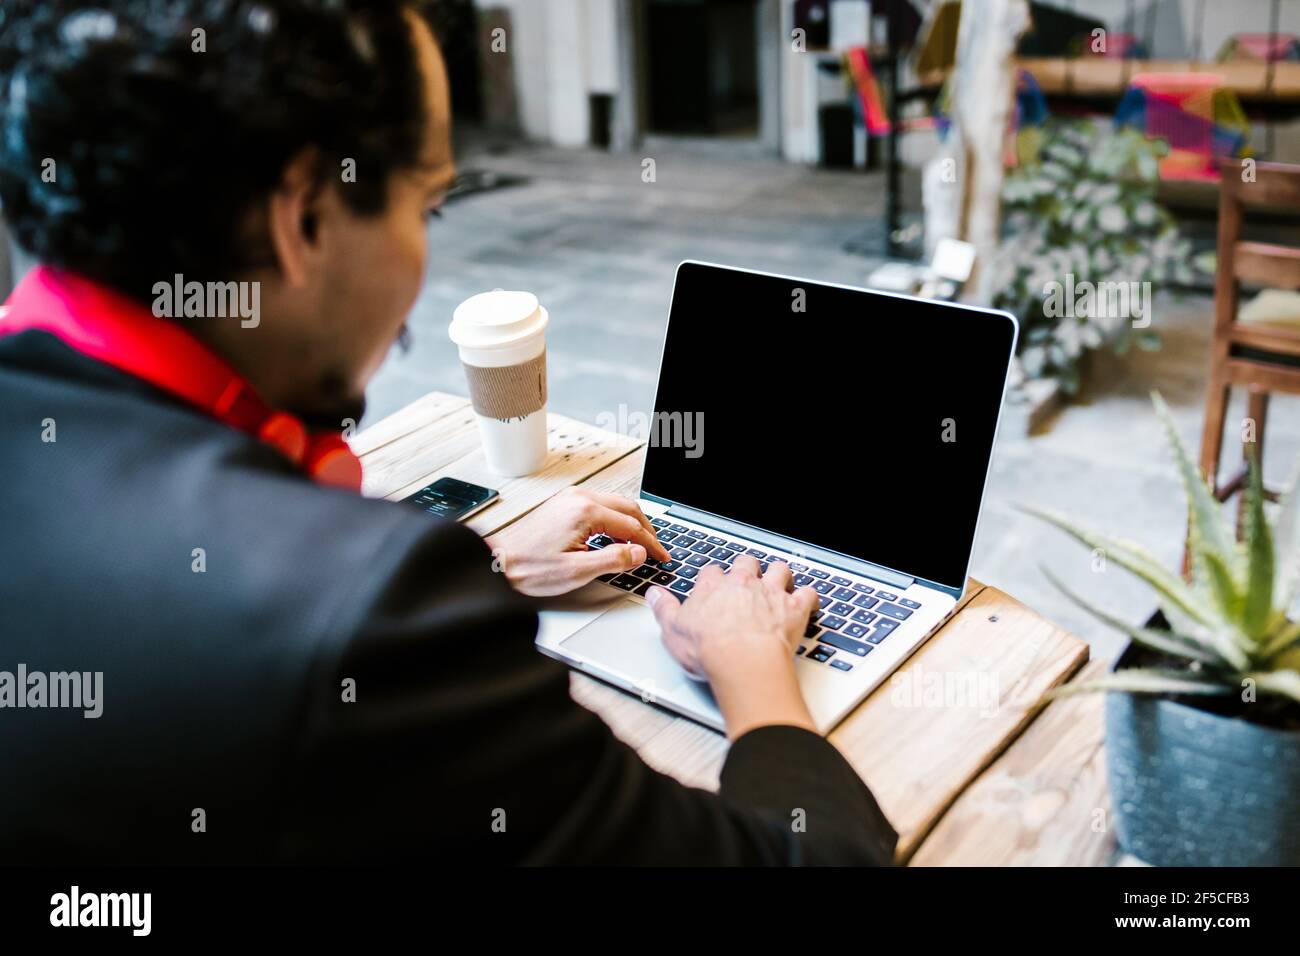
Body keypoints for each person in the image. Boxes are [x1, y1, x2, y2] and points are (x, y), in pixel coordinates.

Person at [0, 0, 896, 864]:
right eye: (426, 204)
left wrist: (494, 568)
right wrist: (751, 666)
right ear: (305, 215)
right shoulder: (374, 617)